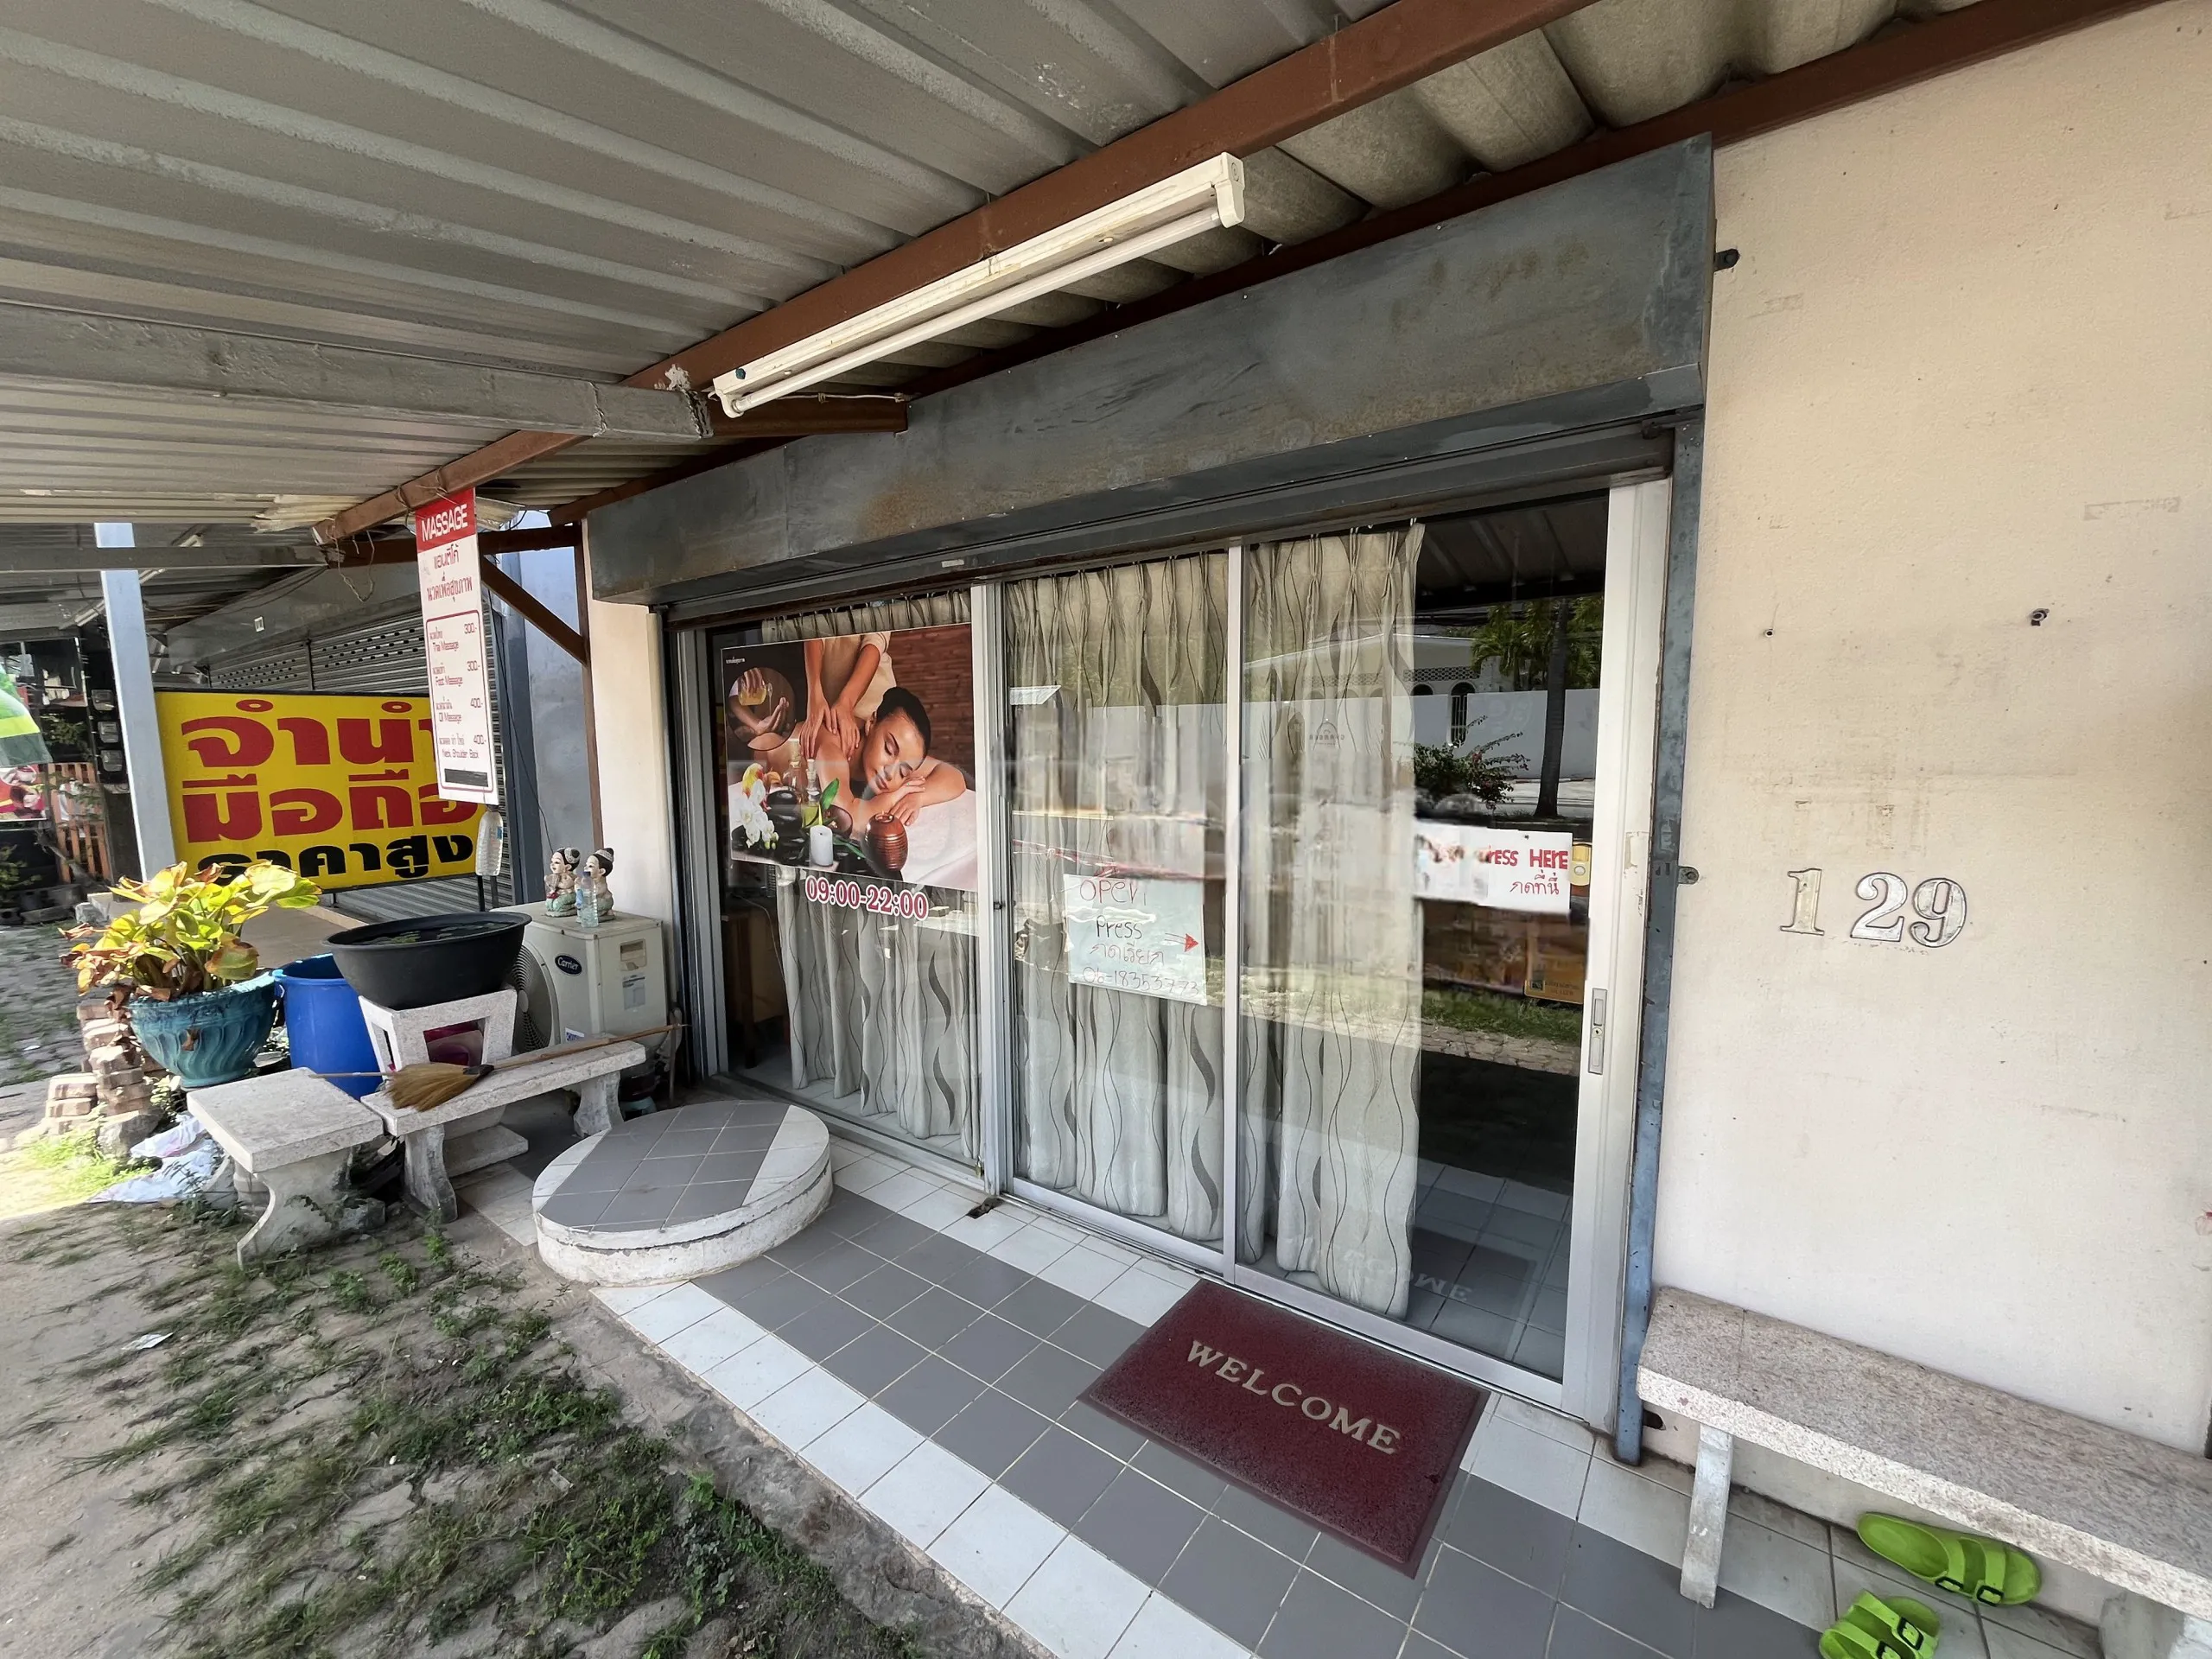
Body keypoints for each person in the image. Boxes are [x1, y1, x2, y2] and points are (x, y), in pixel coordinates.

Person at [818, 686, 965, 829]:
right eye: (889, 750)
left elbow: (954, 777)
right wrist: (894, 797)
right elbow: (847, 819)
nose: (890, 774)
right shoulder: (831, 745)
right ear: (871, 723)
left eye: (903, 772)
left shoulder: (898, 758)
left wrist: (917, 797)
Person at [799, 632, 893, 762]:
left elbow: (875, 642)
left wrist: (846, 703)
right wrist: (814, 694)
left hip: (873, 705)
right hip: (830, 707)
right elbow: (812, 631)